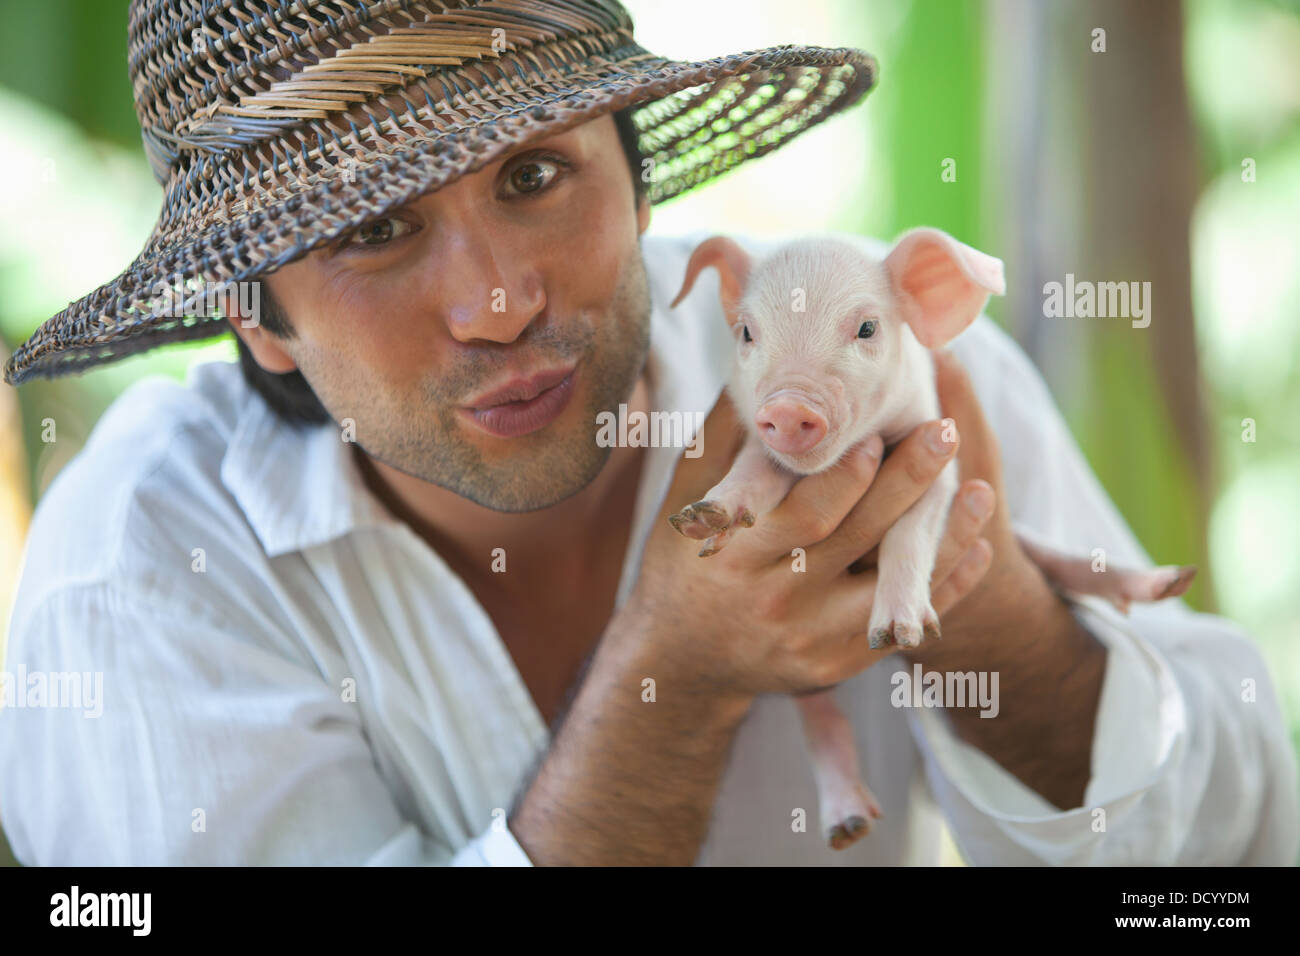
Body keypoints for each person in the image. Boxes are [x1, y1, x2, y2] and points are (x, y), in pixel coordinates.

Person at [1, 0, 1295, 866]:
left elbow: (1243, 844)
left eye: (533, 175)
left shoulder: (857, 349)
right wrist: (670, 684)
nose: (499, 303)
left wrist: (995, 608)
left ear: (636, 170)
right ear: (257, 317)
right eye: (374, 229)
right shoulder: (137, 578)